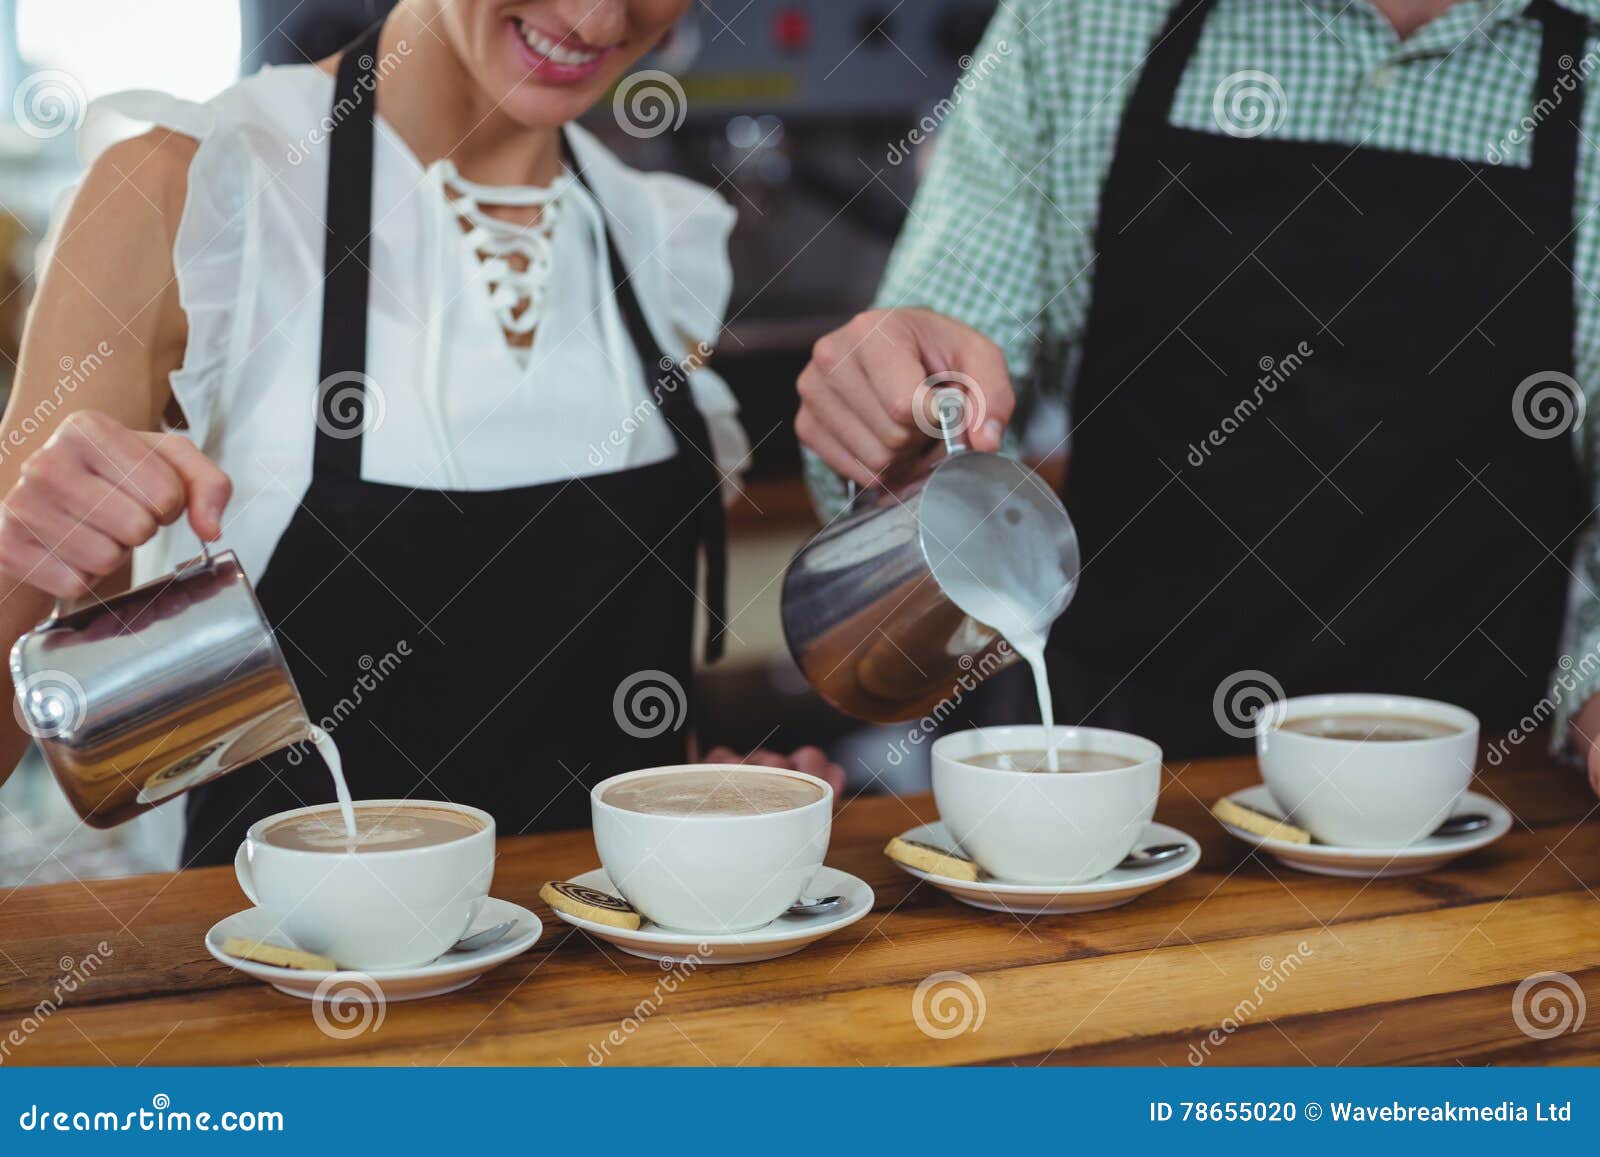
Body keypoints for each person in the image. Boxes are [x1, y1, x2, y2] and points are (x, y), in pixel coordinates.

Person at [0, 0, 841, 869]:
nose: (595, 17)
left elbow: (582, 703)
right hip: (272, 948)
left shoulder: (661, 233)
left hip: (609, 940)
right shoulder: (186, 187)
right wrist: (19, 559)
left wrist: (700, 805)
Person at [798, 0, 1600, 793]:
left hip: (1470, 796)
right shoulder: (1083, 20)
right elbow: (940, 394)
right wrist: (897, 413)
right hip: (1114, 774)